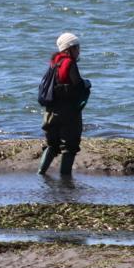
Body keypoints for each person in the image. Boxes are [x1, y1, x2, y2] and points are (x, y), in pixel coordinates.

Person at [38, 32, 91, 176]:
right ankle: (65, 181)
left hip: (50, 112)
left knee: (52, 145)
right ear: (69, 48)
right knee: (69, 147)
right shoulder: (69, 63)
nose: (79, 51)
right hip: (68, 113)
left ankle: (40, 174)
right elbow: (77, 84)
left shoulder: (54, 62)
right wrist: (87, 84)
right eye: (77, 47)